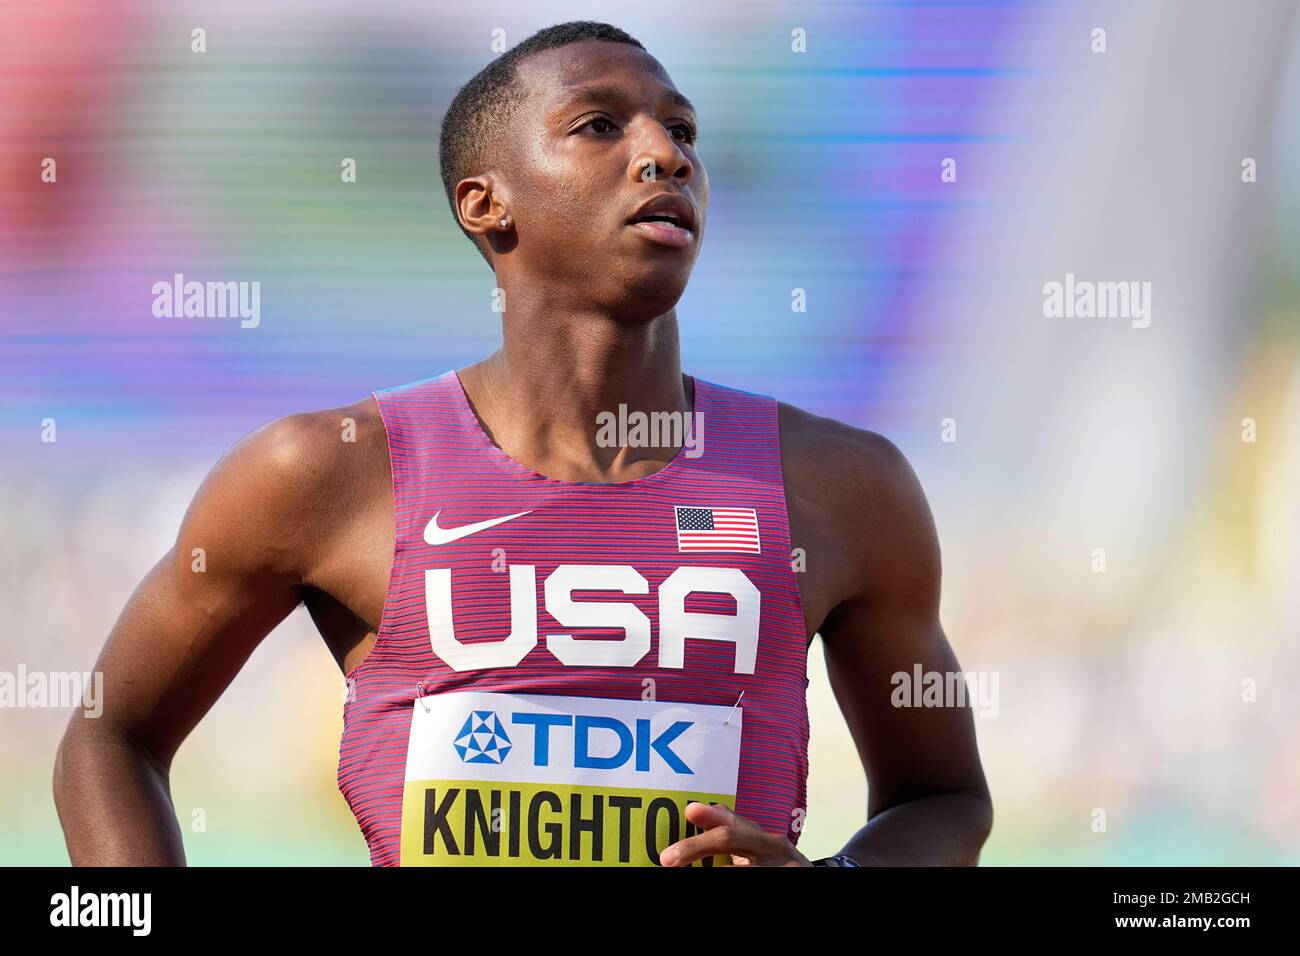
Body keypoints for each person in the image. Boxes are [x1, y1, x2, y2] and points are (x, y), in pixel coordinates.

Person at [53, 20, 992, 867]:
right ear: (484, 204)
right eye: (600, 126)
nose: (665, 154)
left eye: (685, 132)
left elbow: (944, 799)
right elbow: (111, 740)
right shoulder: (327, 470)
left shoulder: (839, 486)